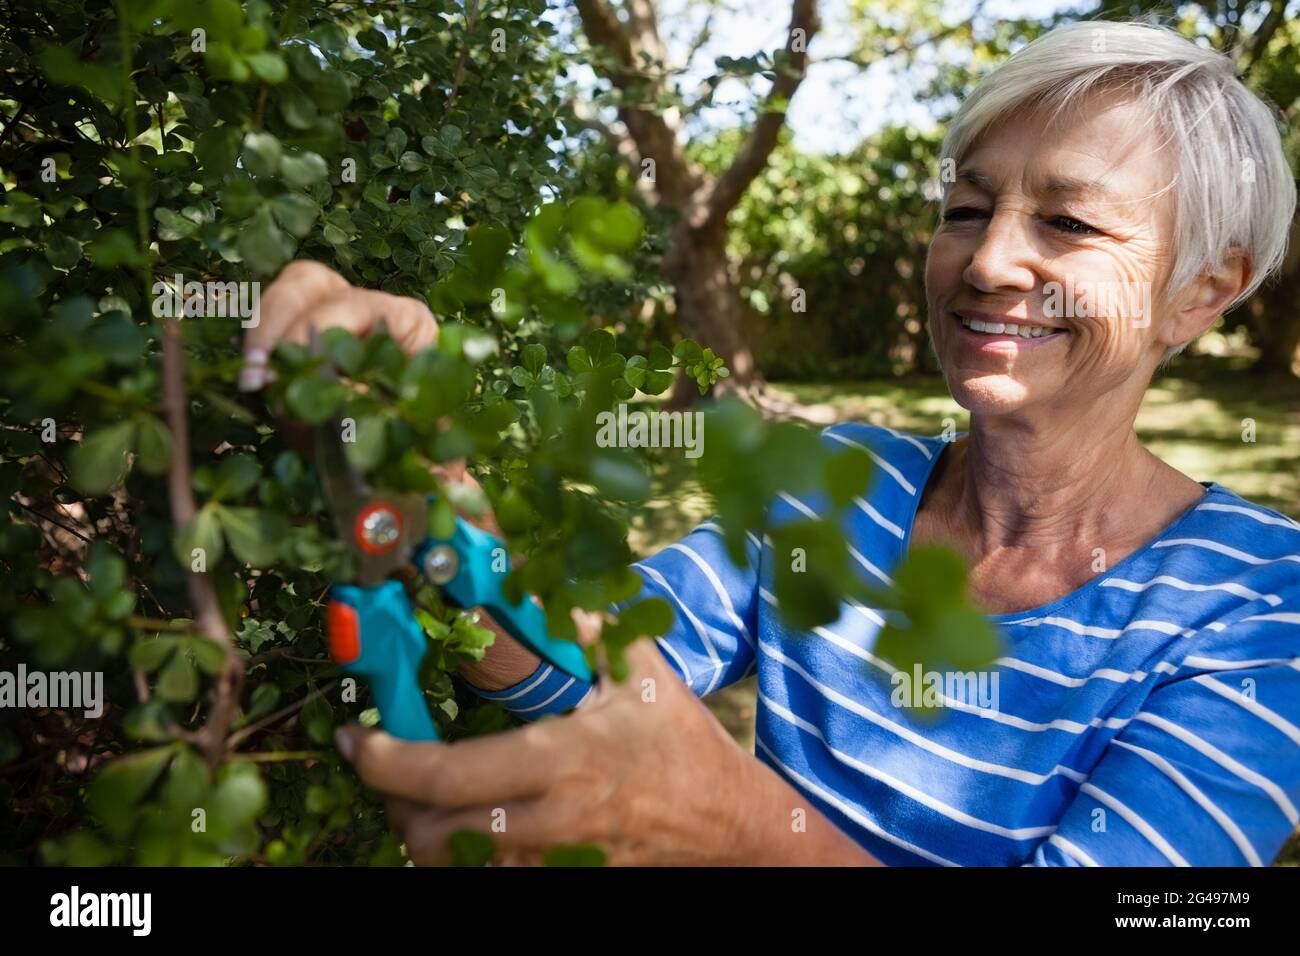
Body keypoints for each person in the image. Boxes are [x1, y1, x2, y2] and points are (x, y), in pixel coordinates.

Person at [242, 20, 1300, 866]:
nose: (986, 264)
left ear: (1200, 292)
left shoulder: (1264, 605)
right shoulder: (841, 486)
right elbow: (576, 678)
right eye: (968, 207)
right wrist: (404, 441)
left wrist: (737, 828)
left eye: (1067, 224)